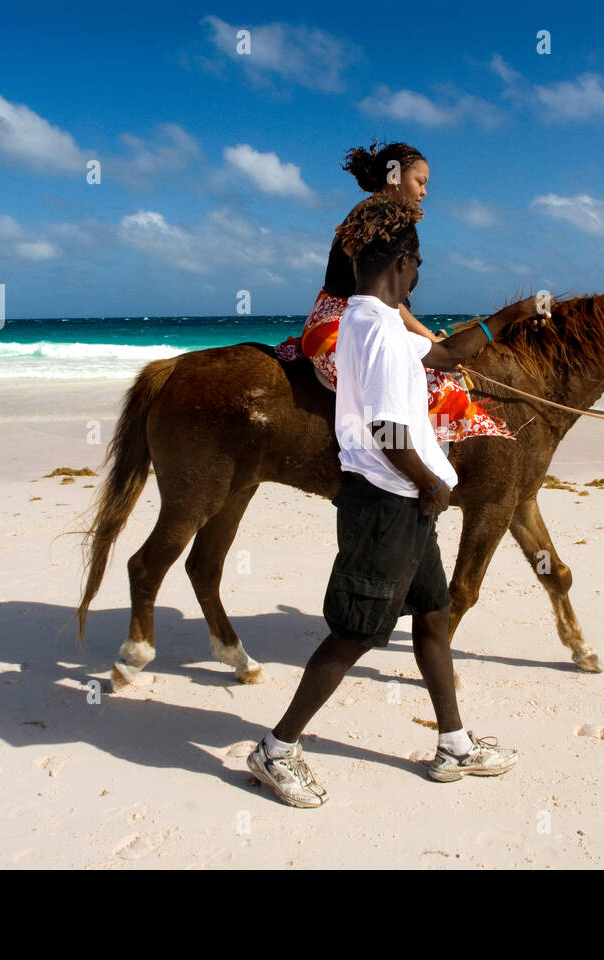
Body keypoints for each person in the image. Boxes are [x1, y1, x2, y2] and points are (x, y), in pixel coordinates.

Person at [248, 195, 549, 808]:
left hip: (407, 503)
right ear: (403, 263)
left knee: (434, 617)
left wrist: (506, 317)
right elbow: (387, 430)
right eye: (419, 266)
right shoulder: (381, 331)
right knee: (356, 632)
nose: (419, 276)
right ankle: (275, 749)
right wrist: (434, 485)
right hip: (387, 503)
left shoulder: (368, 318)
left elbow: (442, 354)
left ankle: (455, 745)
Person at [274, 140, 510, 441]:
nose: (424, 192)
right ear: (395, 177)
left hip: (354, 321)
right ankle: (391, 467)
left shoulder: (376, 215)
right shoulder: (376, 219)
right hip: (343, 327)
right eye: (420, 182)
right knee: (409, 390)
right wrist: (427, 336)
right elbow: (384, 299)